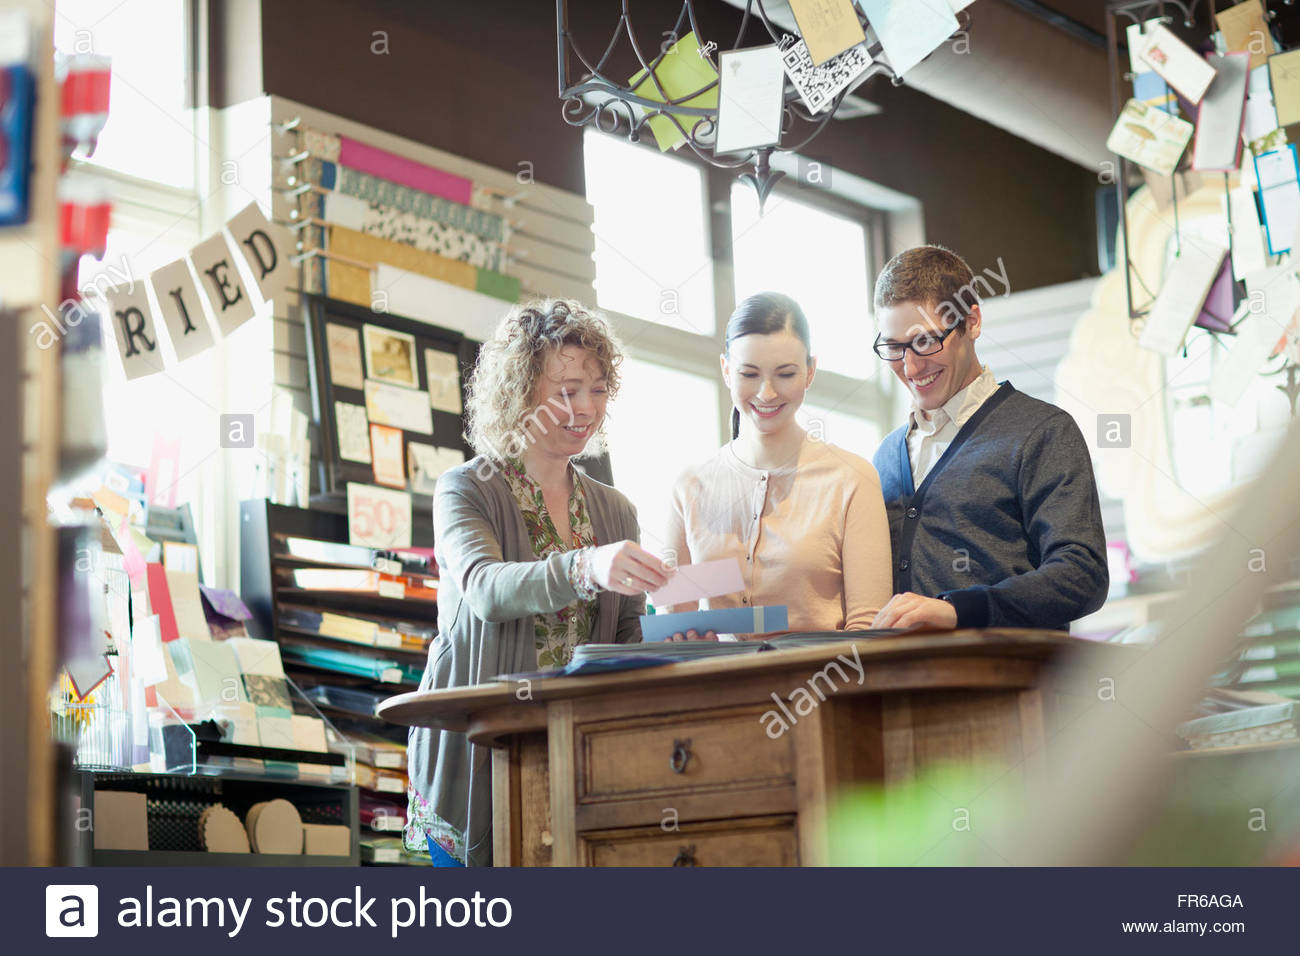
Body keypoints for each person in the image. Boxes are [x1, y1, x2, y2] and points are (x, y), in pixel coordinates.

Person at [405, 298, 670, 867]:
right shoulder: (466, 489)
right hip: (474, 764)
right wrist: (585, 566)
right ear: (519, 393)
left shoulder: (615, 509)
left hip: (578, 758)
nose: (585, 409)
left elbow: (625, 636)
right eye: (566, 391)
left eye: (598, 390)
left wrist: (672, 643)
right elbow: (485, 588)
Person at [869, 245, 1108, 632]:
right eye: (894, 348)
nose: (910, 366)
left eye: (926, 342)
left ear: (972, 322)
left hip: (1011, 683)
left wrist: (960, 610)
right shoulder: (884, 457)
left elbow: (1083, 574)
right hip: (908, 687)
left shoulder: (1042, 431)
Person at [662, 292, 892, 637]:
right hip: (716, 686)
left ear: (810, 372)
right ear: (726, 370)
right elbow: (672, 622)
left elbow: (868, 630)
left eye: (785, 374)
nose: (767, 393)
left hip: (821, 687)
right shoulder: (691, 486)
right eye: (749, 374)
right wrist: (683, 638)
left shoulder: (852, 479)